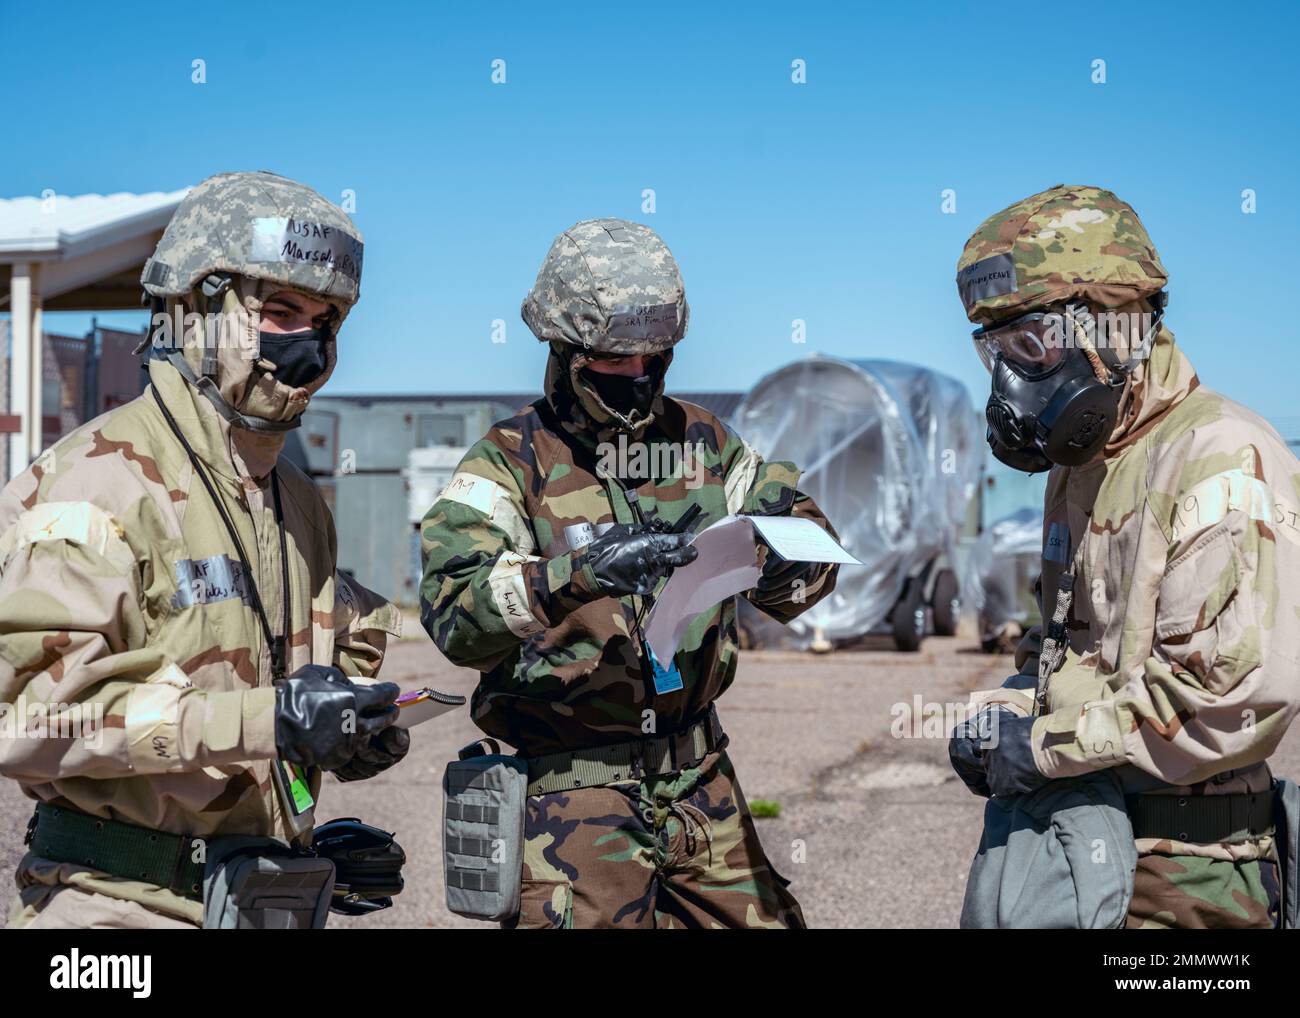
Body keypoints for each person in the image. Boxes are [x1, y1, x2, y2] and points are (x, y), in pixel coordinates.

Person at [0, 171, 408, 929]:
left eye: (325, 321)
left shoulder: (296, 503)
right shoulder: (93, 487)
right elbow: (30, 719)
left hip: (257, 903)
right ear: (194, 312)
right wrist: (266, 721)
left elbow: (316, 663)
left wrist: (342, 738)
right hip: (113, 912)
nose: (308, 348)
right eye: (280, 312)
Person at [420, 218, 838, 928]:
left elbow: (808, 548)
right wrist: (575, 575)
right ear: (564, 351)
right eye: (617, 362)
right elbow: (456, 619)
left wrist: (788, 563)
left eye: (655, 359)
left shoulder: (704, 443)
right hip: (572, 802)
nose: (639, 378)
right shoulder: (506, 465)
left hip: (702, 785)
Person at [948, 184, 1300, 928]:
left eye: (1031, 346)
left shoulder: (1222, 455)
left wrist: (1042, 749)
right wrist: (1003, 713)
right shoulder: (1086, 466)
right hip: (1076, 849)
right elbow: (1071, 657)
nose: (1011, 382)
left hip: (1192, 878)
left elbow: (1227, 699)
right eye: (996, 352)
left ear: (1114, 326)